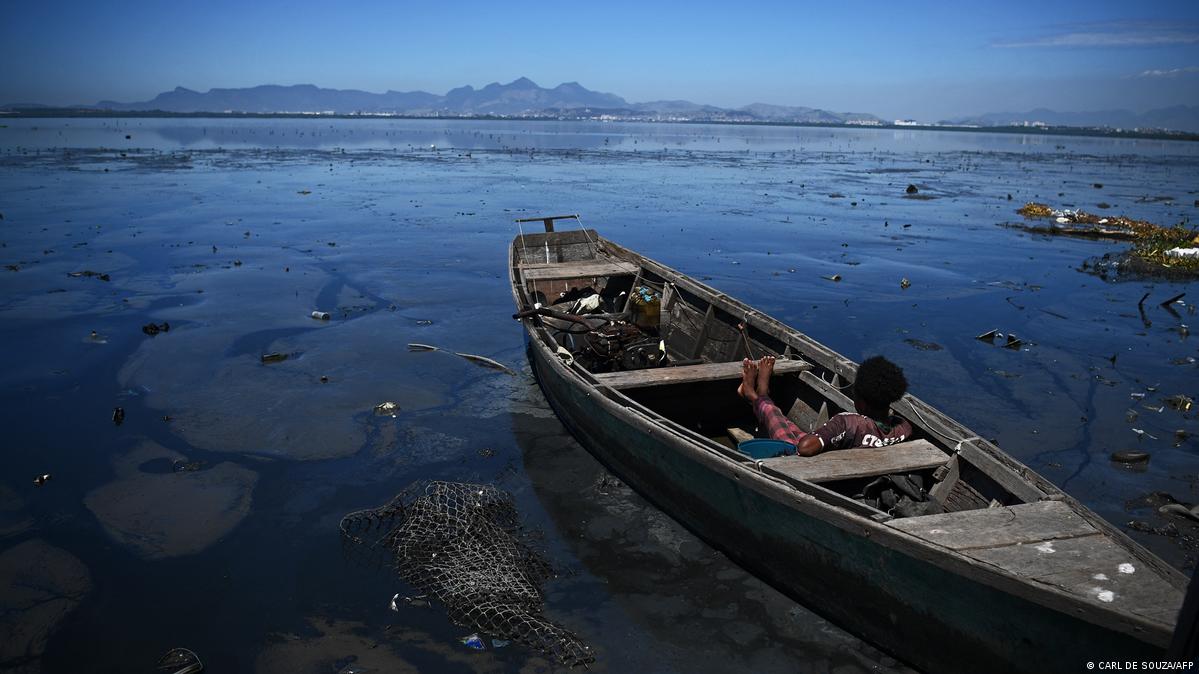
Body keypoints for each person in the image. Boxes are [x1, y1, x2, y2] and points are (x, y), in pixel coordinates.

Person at [737, 354, 913, 456]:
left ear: (862, 403)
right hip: (843, 462)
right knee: (788, 424)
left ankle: (755, 396)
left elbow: (804, 448)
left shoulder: (848, 423)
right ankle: (763, 396)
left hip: (809, 466)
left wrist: (834, 431)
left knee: (773, 416)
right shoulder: (903, 427)